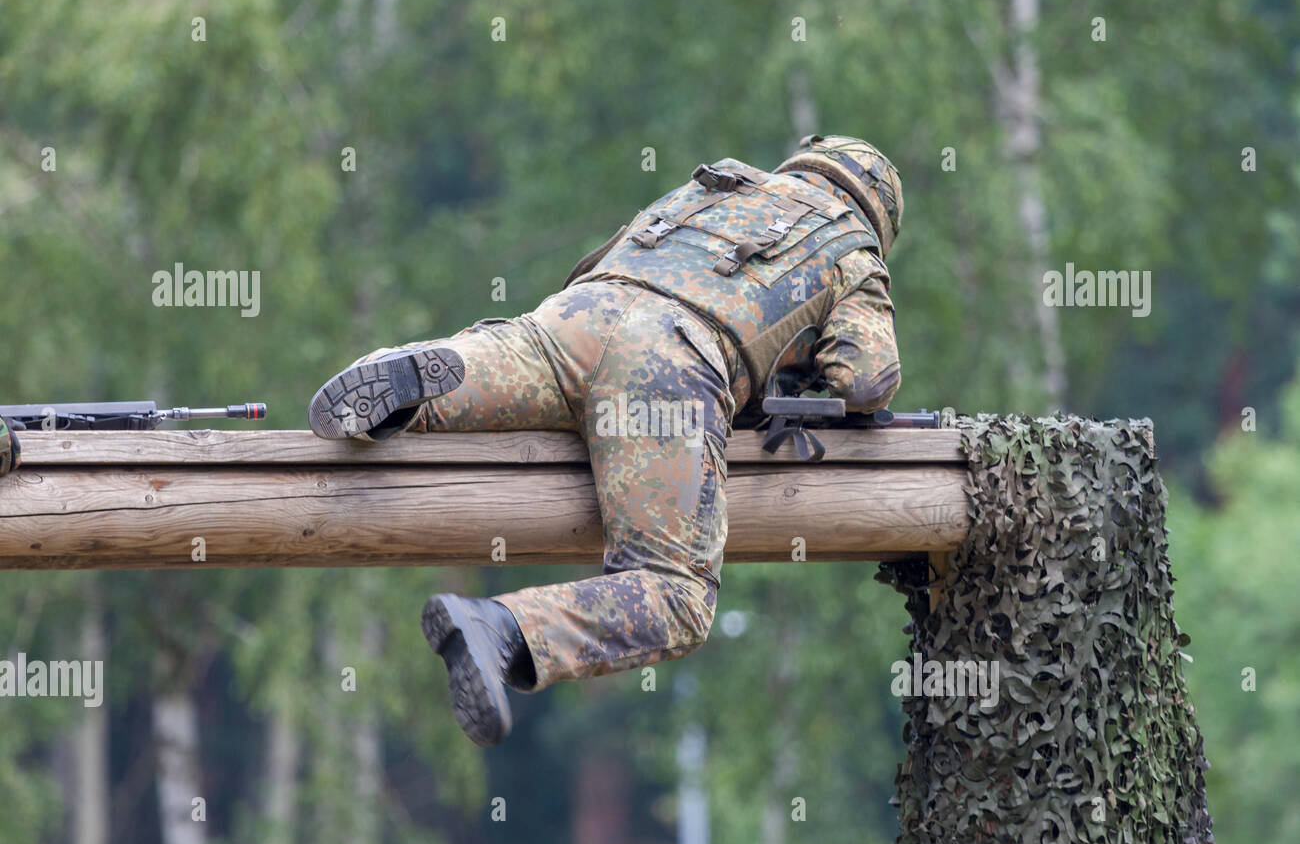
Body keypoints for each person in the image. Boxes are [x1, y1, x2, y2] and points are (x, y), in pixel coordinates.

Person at [308, 135, 905, 747]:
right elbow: (865, 380)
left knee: (501, 372)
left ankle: (414, 386)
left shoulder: (718, 185)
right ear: (879, 212)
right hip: (668, 363)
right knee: (676, 595)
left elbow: (602, 261)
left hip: (575, 316)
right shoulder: (851, 248)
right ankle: (502, 628)